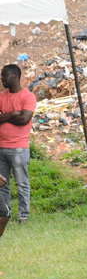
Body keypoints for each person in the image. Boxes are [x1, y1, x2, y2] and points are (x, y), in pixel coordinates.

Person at [0, 63, 36, 228]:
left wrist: (4, 116)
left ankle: (23, 216)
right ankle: (5, 213)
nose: (1, 78)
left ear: (15, 76)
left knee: (22, 183)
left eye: (4, 75)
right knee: (2, 184)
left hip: (19, 147)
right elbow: (18, 117)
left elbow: (24, 120)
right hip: (1, 147)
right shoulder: (1, 96)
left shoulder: (28, 97)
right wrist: (14, 113)